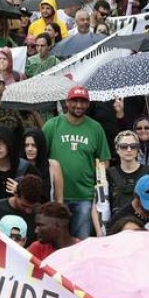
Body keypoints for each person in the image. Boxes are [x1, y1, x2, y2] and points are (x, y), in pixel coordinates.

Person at [43, 86, 110, 238]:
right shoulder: (52, 125)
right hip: (56, 197)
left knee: (81, 242)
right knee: (57, 241)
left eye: (83, 101)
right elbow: (40, 157)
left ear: (88, 104)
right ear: (67, 102)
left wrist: (98, 190)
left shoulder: (95, 128)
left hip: (85, 196)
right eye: (75, 101)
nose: (79, 105)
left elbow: (104, 162)